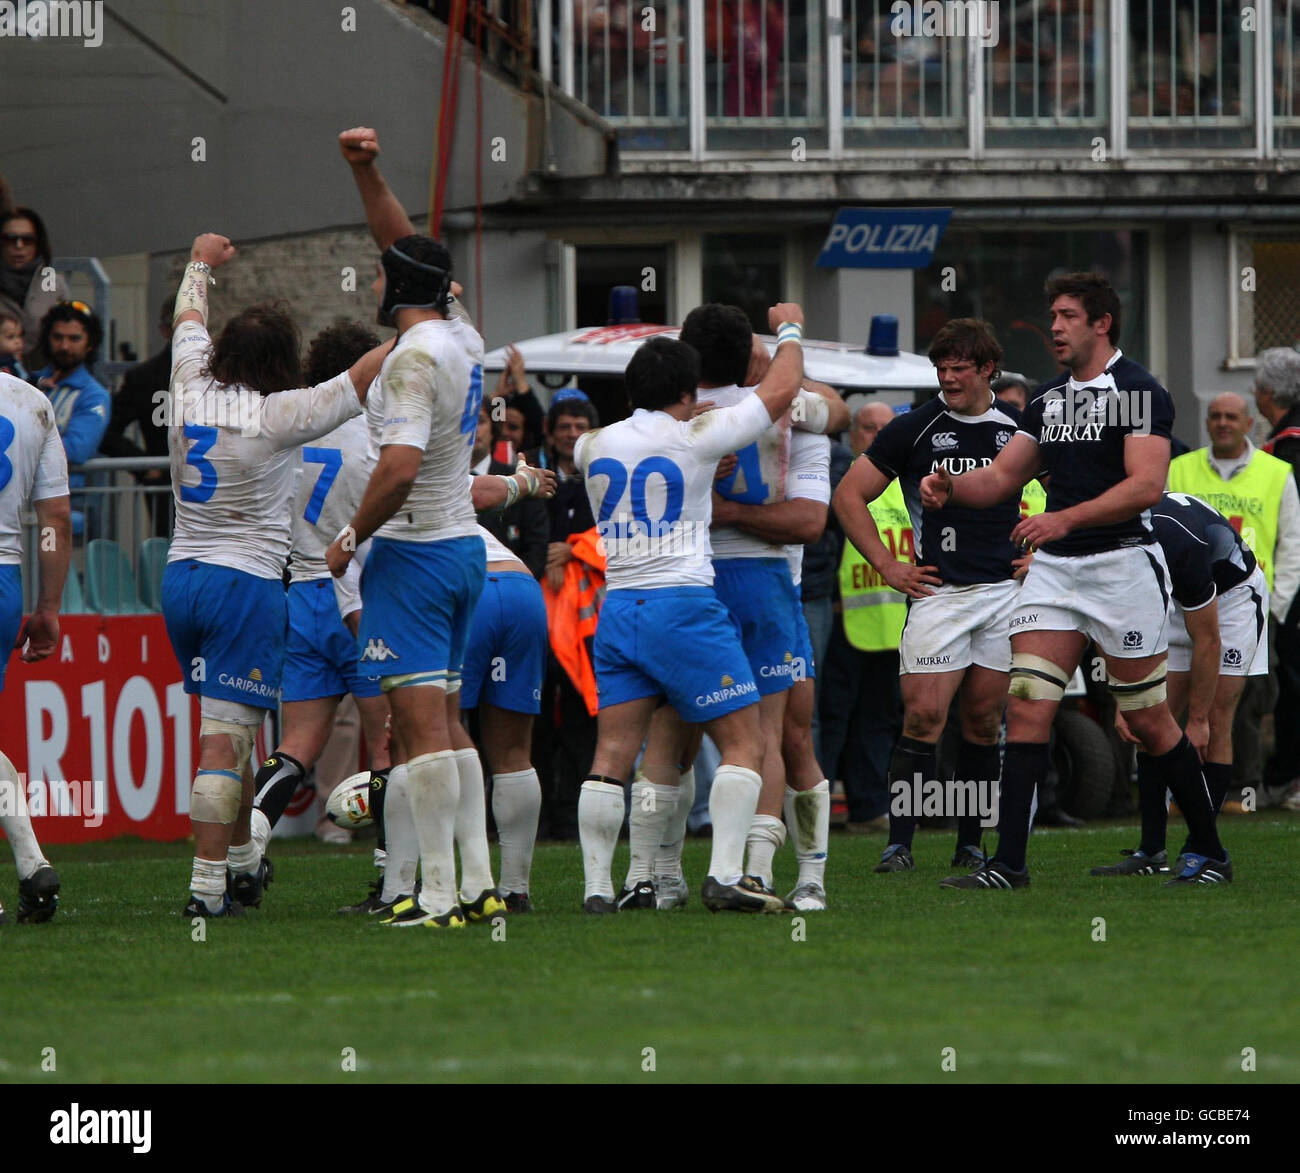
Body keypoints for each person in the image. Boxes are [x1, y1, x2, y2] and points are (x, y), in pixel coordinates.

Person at [920, 272, 1228, 888]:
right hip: (1056, 575)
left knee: (1147, 719)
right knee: (1027, 705)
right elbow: (1004, 477)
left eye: (1065, 315)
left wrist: (1063, 518)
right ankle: (1008, 865)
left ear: (1100, 323)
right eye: (1052, 315)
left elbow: (1146, 486)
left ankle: (1209, 849)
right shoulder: (1048, 397)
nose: (1053, 327)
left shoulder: (1138, 390)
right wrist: (953, 485)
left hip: (1121, 567)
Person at [162, 234, 391, 918]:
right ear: (280, 362)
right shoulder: (277, 416)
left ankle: (239, 866)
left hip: (181, 576)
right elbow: (357, 380)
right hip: (246, 584)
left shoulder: (187, 383)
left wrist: (198, 261)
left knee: (226, 736)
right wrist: (419, 330)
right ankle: (207, 892)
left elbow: (187, 319)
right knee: (226, 742)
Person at [573, 307, 807, 915]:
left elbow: (635, 443)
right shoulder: (697, 436)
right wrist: (789, 331)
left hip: (618, 608)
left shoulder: (590, 445)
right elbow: (781, 391)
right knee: (745, 741)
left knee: (613, 756)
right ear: (687, 391)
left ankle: (600, 886)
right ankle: (728, 874)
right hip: (682, 605)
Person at [324, 125, 501, 930]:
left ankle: (436, 900)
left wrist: (352, 537)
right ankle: (478, 881)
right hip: (465, 548)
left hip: (416, 553)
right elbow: (408, 246)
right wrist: (367, 171)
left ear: (391, 288)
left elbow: (395, 468)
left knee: (419, 728)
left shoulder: (406, 359)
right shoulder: (462, 338)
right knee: (452, 724)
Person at [673, 305, 847, 907]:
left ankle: (800, 877)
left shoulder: (675, 419)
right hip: (732, 581)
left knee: (785, 736)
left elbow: (810, 521)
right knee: (718, 734)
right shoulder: (788, 410)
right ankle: (702, 875)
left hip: (756, 584)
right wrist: (791, 336)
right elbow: (833, 413)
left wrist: (725, 512)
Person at [835, 320, 1021, 875]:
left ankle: (970, 842)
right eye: (940, 369)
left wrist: (1046, 551)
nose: (947, 378)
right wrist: (889, 565)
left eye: (959, 368)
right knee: (922, 717)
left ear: (988, 369)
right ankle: (900, 842)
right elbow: (848, 496)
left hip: (1004, 595)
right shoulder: (912, 428)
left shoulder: (1020, 428)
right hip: (939, 593)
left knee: (984, 721)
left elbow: (1071, 491)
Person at [239, 321, 394, 883]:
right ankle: (390, 876)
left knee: (298, 742)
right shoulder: (378, 437)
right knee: (387, 742)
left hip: (301, 595)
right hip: (363, 595)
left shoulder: (292, 434)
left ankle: (247, 852)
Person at [1092, 492, 1267, 878]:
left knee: (1216, 722)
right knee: (1153, 717)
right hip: (1176, 598)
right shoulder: (1109, 539)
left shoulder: (1174, 539)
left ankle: (1202, 850)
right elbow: (1113, 620)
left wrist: (1199, 719)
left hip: (1231, 595)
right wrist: (1126, 700)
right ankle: (1152, 851)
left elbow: (1208, 640)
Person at [1167, 390, 1300, 809]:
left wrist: (1276, 607)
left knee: (1241, 705)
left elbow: (1292, 543)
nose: (1222, 422)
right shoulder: (1179, 468)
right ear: (1206, 423)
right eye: (1215, 416)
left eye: (1231, 416)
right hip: (1188, 600)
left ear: (1249, 424)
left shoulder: (1277, 472)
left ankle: (1241, 791)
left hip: (1251, 605)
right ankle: (1179, 791)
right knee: (1182, 698)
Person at [0, 368, 71, 923]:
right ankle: (31, 864)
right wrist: (47, 606)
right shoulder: (33, 403)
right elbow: (54, 521)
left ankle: (30, 864)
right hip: (5, 580)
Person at [820, 400, 905, 833]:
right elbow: (826, 540)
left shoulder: (910, 482)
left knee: (879, 717)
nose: (876, 435)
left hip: (895, 624)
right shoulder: (844, 478)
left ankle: (869, 806)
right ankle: (814, 803)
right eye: (868, 428)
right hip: (844, 619)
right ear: (854, 435)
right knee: (832, 715)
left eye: (885, 429)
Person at [1252, 348, 1300, 808]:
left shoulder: (1289, 448)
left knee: (1292, 682)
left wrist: (1282, 599)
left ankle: (1288, 777)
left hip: (1290, 587)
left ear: (1267, 394)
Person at [100, 298, 175, 535]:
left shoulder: (222, 372)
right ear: (165, 330)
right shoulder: (143, 377)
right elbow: (106, 431)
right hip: (167, 488)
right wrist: (145, 466)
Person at [472, 397, 548, 577]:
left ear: (493, 430)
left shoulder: (523, 481)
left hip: (508, 589)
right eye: (464, 421)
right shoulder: (437, 483)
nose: (473, 428)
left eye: (480, 421)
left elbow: (536, 550)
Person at [0, 207, 70, 371]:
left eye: (27, 239)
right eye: (10, 239)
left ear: (39, 243)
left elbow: (66, 328)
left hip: (44, 380)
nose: (19, 246)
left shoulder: (53, 282)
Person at [0, 307, 29, 382]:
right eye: (10, 337)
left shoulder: (14, 360)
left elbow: (27, 377)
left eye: (19, 336)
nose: (18, 341)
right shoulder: (3, 363)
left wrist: (40, 381)